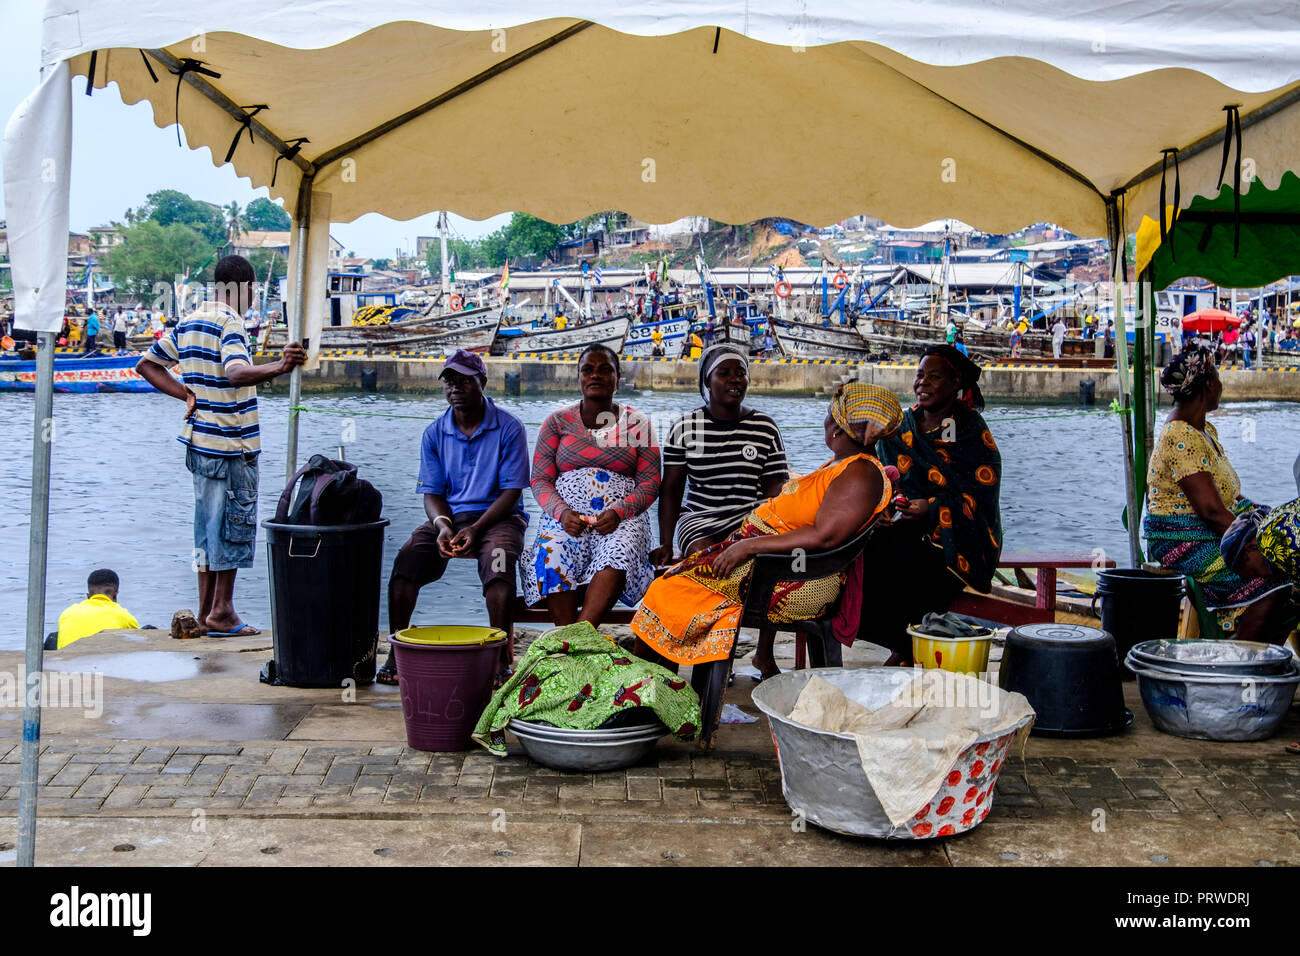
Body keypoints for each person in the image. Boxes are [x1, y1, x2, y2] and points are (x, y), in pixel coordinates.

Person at [631, 384, 897, 718]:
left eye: (830, 413)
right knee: (672, 584)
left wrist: (749, 544)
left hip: (789, 581)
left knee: (668, 591)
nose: (825, 420)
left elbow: (825, 536)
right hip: (775, 567)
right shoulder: (845, 465)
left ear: (841, 425)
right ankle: (652, 691)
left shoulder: (860, 472)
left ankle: (643, 695)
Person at [136, 255, 306, 638]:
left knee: (206, 528)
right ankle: (223, 612)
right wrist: (279, 366)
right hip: (231, 443)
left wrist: (186, 395)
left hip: (199, 444)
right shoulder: (231, 323)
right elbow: (235, 373)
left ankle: (205, 612)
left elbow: (147, 365)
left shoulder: (190, 321)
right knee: (232, 526)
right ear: (244, 288)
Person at [377, 350, 531, 685]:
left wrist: (477, 528)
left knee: (499, 565)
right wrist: (442, 526)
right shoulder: (434, 433)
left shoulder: (509, 428)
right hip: (452, 519)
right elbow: (432, 493)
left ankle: (500, 659)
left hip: (499, 518)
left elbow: (512, 493)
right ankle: (396, 651)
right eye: (449, 380)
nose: (455, 387)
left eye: (464, 380)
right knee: (405, 563)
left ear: (482, 383)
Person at [651, 344, 791, 680]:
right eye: (724, 373)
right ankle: (714, 652)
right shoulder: (685, 428)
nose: (734, 380)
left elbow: (776, 489)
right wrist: (667, 542)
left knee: (768, 560)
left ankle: (763, 654)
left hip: (749, 513)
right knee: (710, 561)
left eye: (740, 372)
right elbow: (671, 491)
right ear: (707, 381)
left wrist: (776, 529)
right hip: (700, 516)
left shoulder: (764, 427)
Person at [864, 344, 1003, 665]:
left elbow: (979, 496)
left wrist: (931, 507)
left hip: (959, 542)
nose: (923, 383)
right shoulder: (902, 426)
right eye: (919, 375)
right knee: (864, 559)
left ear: (956, 384)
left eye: (934, 377)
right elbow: (880, 477)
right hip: (907, 530)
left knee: (918, 571)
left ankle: (906, 648)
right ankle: (903, 643)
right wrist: (883, 510)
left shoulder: (970, 430)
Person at [1143, 347, 1293, 641]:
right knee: (1274, 581)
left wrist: (1276, 520)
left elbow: (1230, 499)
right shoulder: (1179, 435)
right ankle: (1237, 660)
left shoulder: (1204, 430)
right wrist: (1261, 544)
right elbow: (1212, 513)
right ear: (1208, 384)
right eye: (1218, 377)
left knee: (1290, 565)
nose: (1221, 385)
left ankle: (1264, 657)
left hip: (1214, 532)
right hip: (1185, 541)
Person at [520, 344, 661, 626]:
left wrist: (619, 512)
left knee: (618, 552)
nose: (595, 375)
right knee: (552, 552)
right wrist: (561, 513)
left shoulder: (639, 424)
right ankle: (570, 637)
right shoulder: (556, 422)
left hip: (622, 518)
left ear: (617, 378)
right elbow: (540, 480)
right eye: (588, 370)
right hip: (567, 517)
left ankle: (576, 639)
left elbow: (649, 482)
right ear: (579, 377)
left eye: (605, 370)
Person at [53, 569, 140, 649]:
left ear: (88, 596)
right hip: (103, 662)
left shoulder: (67, 613)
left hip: (66, 662)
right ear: (115, 595)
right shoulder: (124, 616)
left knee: (53, 637)